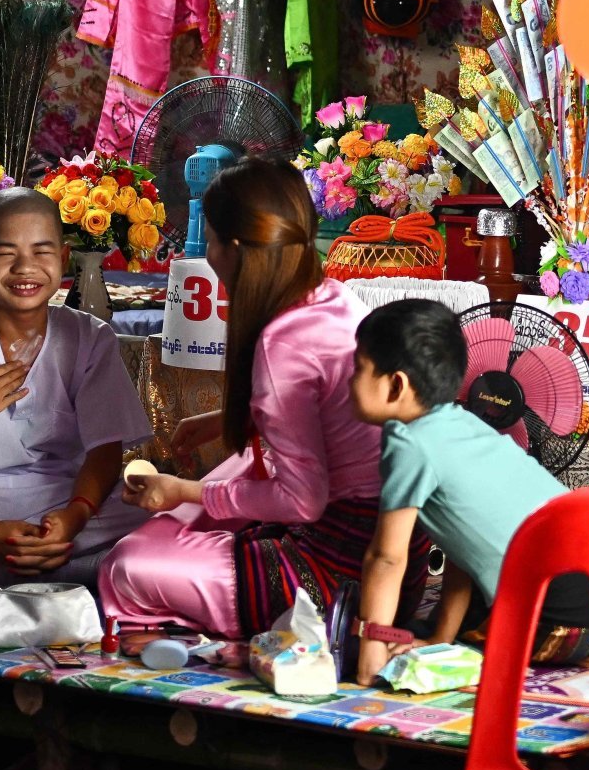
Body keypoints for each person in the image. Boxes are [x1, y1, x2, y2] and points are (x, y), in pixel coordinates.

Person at [99, 158, 425, 639]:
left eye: (209, 239)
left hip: (343, 582)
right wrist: (225, 419)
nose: (207, 252)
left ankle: (204, 579)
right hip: (404, 564)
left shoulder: (281, 344)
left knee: (125, 565)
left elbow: (304, 502)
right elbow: (324, 415)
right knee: (235, 466)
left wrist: (184, 490)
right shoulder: (333, 295)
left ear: (234, 249)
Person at [0, 190, 149, 593]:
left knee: (156, 510)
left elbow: (106, 449)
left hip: (63, 496)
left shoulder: (89, 337)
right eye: (6, 253)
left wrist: (74, 518)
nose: (25, 268)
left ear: (65, 258)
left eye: (41, 252)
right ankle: (75, 569)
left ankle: (48, 558)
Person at [346, 300, 589, 686]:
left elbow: (386, 559)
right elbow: (464, 545)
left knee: (429, 635)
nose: (349, 381)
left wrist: (369, 657)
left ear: (396, 384)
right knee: (436, 625)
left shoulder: (408, 440)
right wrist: (438, 638)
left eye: (358, 369)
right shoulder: (464, 423)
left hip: (557, 620)